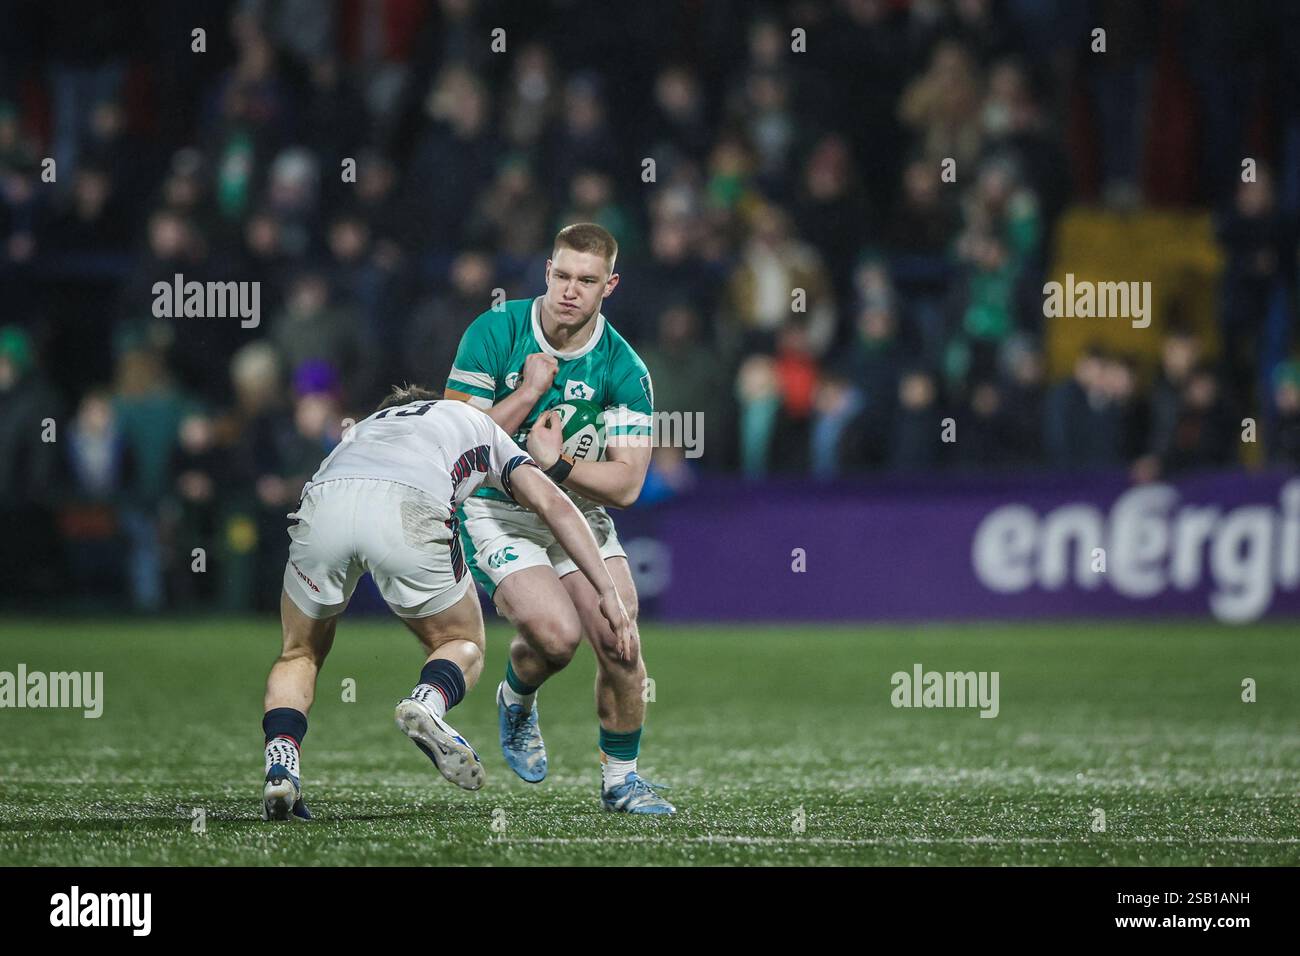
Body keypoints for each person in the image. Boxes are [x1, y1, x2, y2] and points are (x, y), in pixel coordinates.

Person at [259, 385, 635, 822]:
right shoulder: (472, 420)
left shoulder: (362, 429)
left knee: (299, 653)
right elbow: (554, 503)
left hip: (324, 502)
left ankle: (281, 765)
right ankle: (428, 700)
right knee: (462, 640)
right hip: (408, 503)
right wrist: (606, 588)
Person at [443, 222, 675, 814]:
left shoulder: (623, 367)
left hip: (577, 513)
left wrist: (560, 465)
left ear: (610, 286)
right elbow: (450, 443)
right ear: (547, 271)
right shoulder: (495, 332)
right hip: (499, 510)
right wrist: (527, 392)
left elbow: (626, 484)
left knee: (623, 643)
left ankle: (620, 780)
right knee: (555, 637)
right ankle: (517, 698)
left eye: (587, 280)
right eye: (563, 275)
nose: (571, 290)